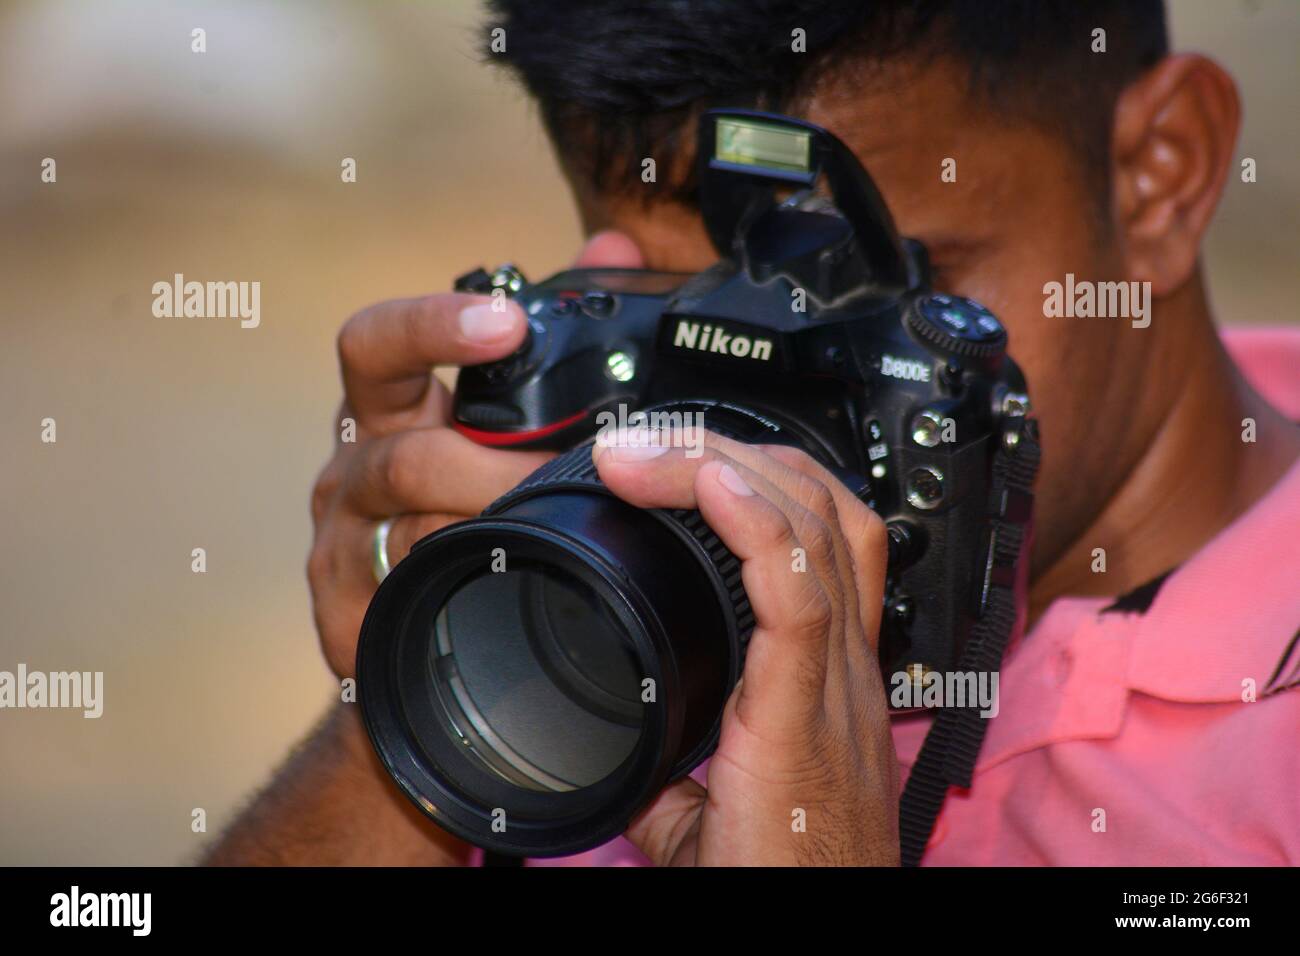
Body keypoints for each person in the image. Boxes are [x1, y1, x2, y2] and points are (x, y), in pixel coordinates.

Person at [206, 0, 1300, 866]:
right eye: (674, 306)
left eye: (883, 316)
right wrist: (421, 703)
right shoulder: (599, 649)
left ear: (1161, 174)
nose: (734, 468)